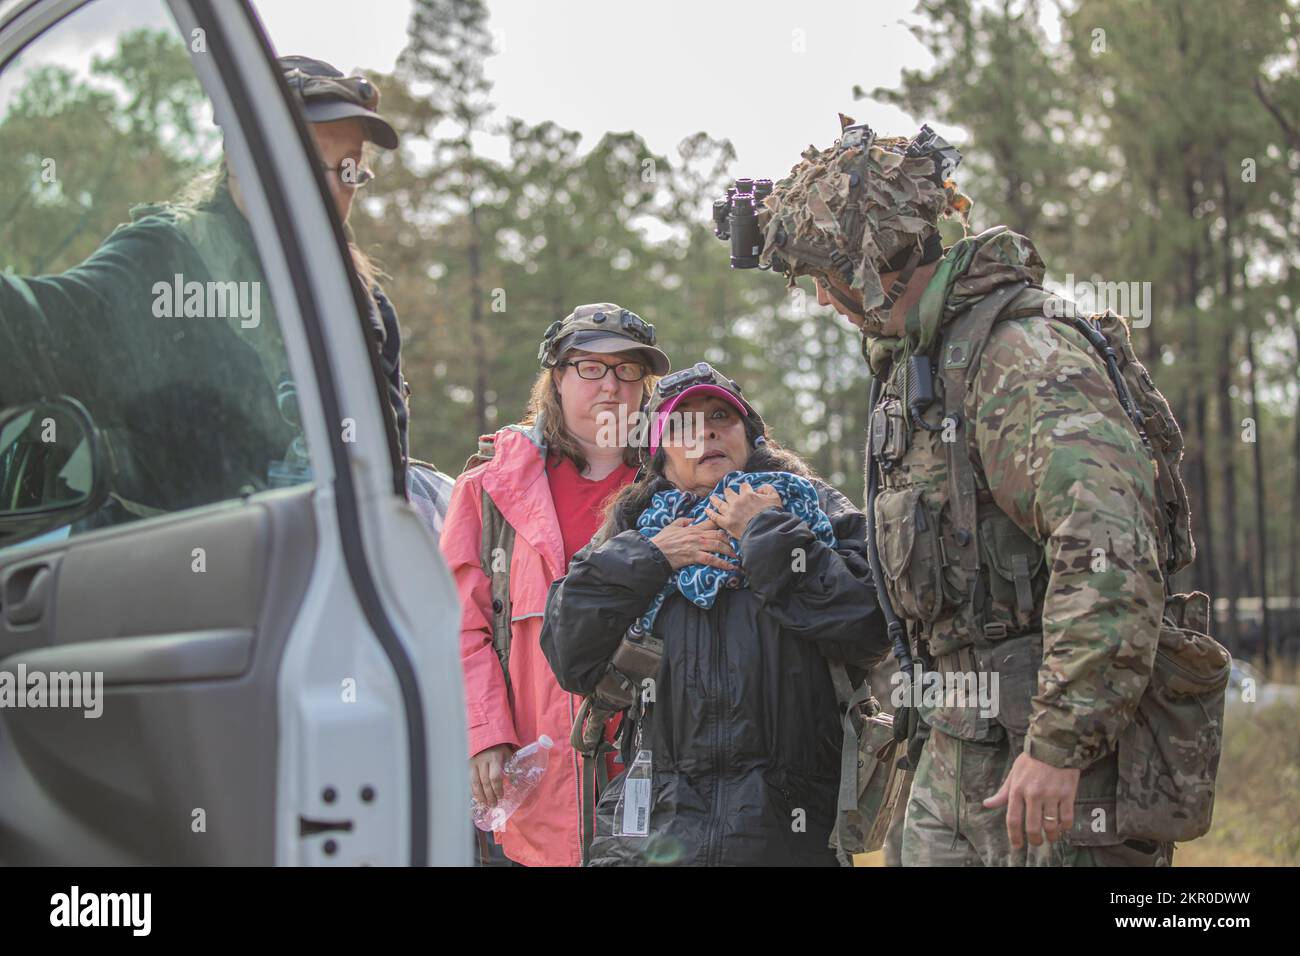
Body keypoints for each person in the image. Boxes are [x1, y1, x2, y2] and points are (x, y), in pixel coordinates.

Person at [751, 116, 1201, 866]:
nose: (827, 301)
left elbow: (1111, 550)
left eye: (827, 278)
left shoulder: (1020, 356)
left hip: (1048, 762)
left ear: (875, 266)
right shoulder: (923, 363)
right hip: (953, 747)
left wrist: (1061, 744)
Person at [0, 56, 407, 529]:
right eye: (313, 164)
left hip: (329, 589)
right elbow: (32, 329)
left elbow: (388, 484)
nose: (334, 191)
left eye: (350, 171)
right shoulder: (164, 261)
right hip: (169, 589)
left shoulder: (368, 307)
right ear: (238, 156)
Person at [540, 362, 890, 866]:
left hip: (791, 828)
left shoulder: (814, 510)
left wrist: (765, 531)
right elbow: (569, 654)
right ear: (659, 458)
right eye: (683, 426)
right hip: (659, 828)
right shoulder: (633, 529)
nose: (706, 432)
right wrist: (652, 555)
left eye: (721, 417)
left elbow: (868, 628)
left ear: (751, 438)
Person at [440, 304, 670, 867]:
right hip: (537, 773)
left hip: (661, 768)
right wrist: (484, 731)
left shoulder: (678, 481)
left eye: (626, 370)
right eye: (590, 368)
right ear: (558, 378)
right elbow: (456, 625)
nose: (610, 385)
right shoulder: (490, 489)